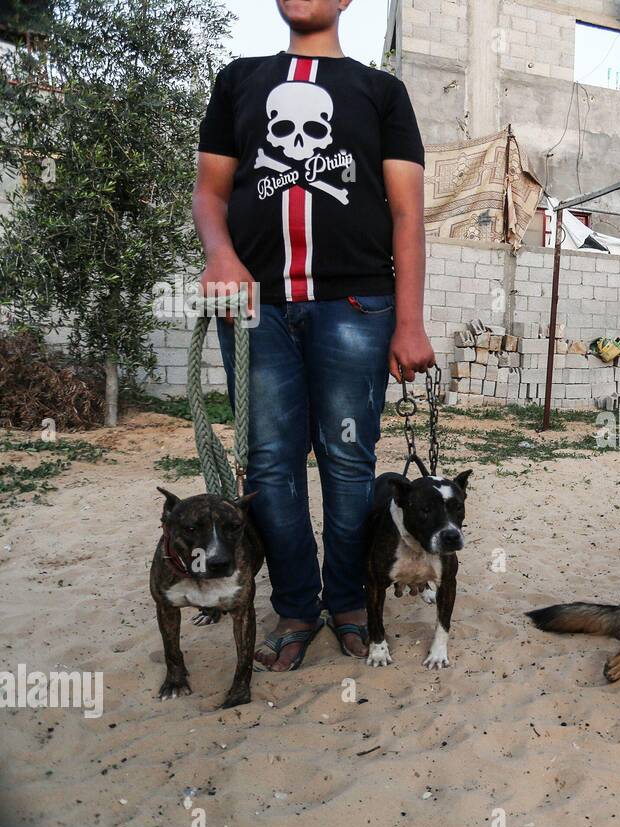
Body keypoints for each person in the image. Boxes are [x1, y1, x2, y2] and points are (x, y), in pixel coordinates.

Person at [191, 0, 434, 670]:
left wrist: (410, 320)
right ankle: (298, 606)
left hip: (356, 305)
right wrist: (221, 255)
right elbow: (210, 193)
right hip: (255, 307)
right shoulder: (238, 80)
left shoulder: (381, 91)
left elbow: (408, 212)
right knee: (270, 466)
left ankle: (350, 600)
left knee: (349, 461)